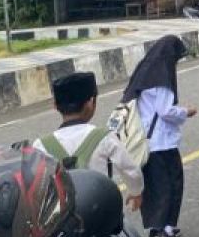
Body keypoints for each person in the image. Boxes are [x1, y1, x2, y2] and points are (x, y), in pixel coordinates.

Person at [124, 35, 197, 237]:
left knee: (155, 188)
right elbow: (166, 111)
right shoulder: (162, 78)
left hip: (146, 141)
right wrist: (186, 111)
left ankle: (157, 229)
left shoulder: (145, 72)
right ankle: (164, 231)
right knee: (171, 186)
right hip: (162, 142)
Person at [36, 72, 144, 212]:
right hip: (100, 212)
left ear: (55, 105)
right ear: (90, 103)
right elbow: (131, 170)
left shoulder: (40, 145)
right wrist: (136, 192)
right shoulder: (104, 137)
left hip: (62, 220)